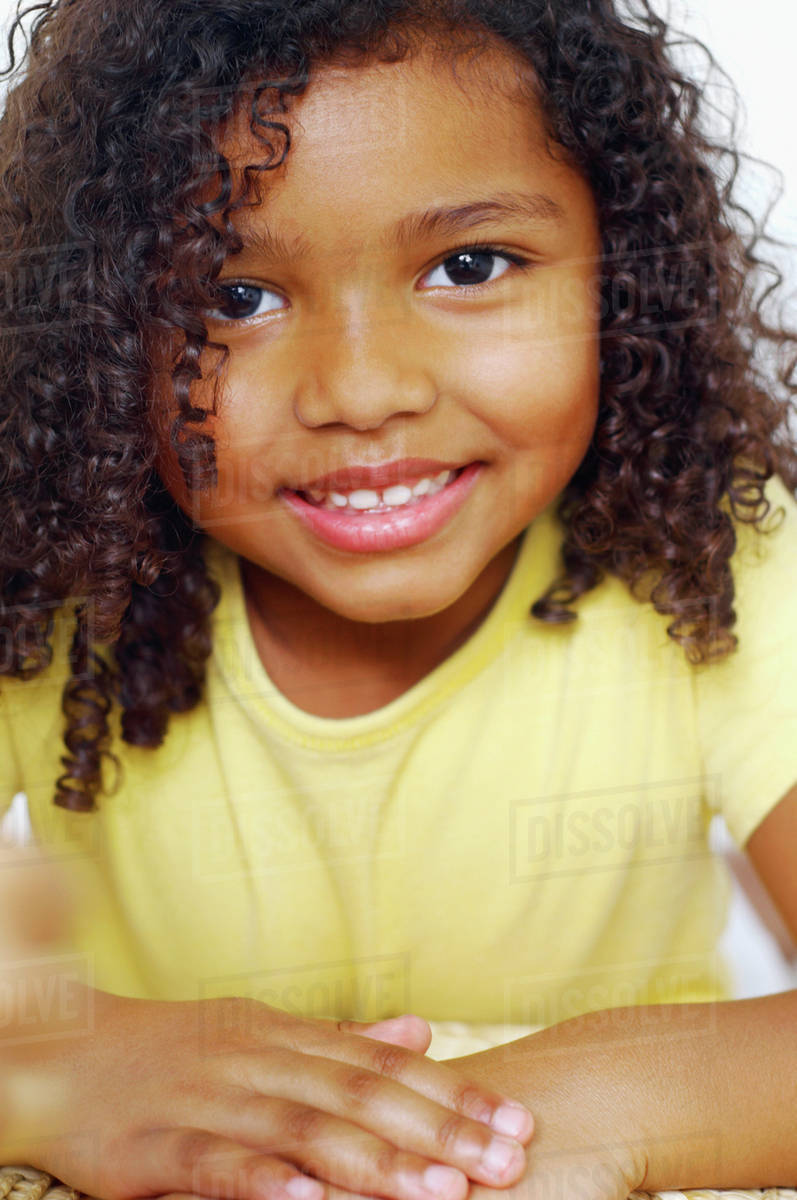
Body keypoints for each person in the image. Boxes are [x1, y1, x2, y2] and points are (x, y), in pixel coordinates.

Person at [0, 0, 795, 1198]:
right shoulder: (49, 568)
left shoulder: (713, 559)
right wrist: (56, 1064)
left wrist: (564, 1113)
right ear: (107, 331)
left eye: (468, 267)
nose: (362, 392)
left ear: (623, 279)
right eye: (232, 300)